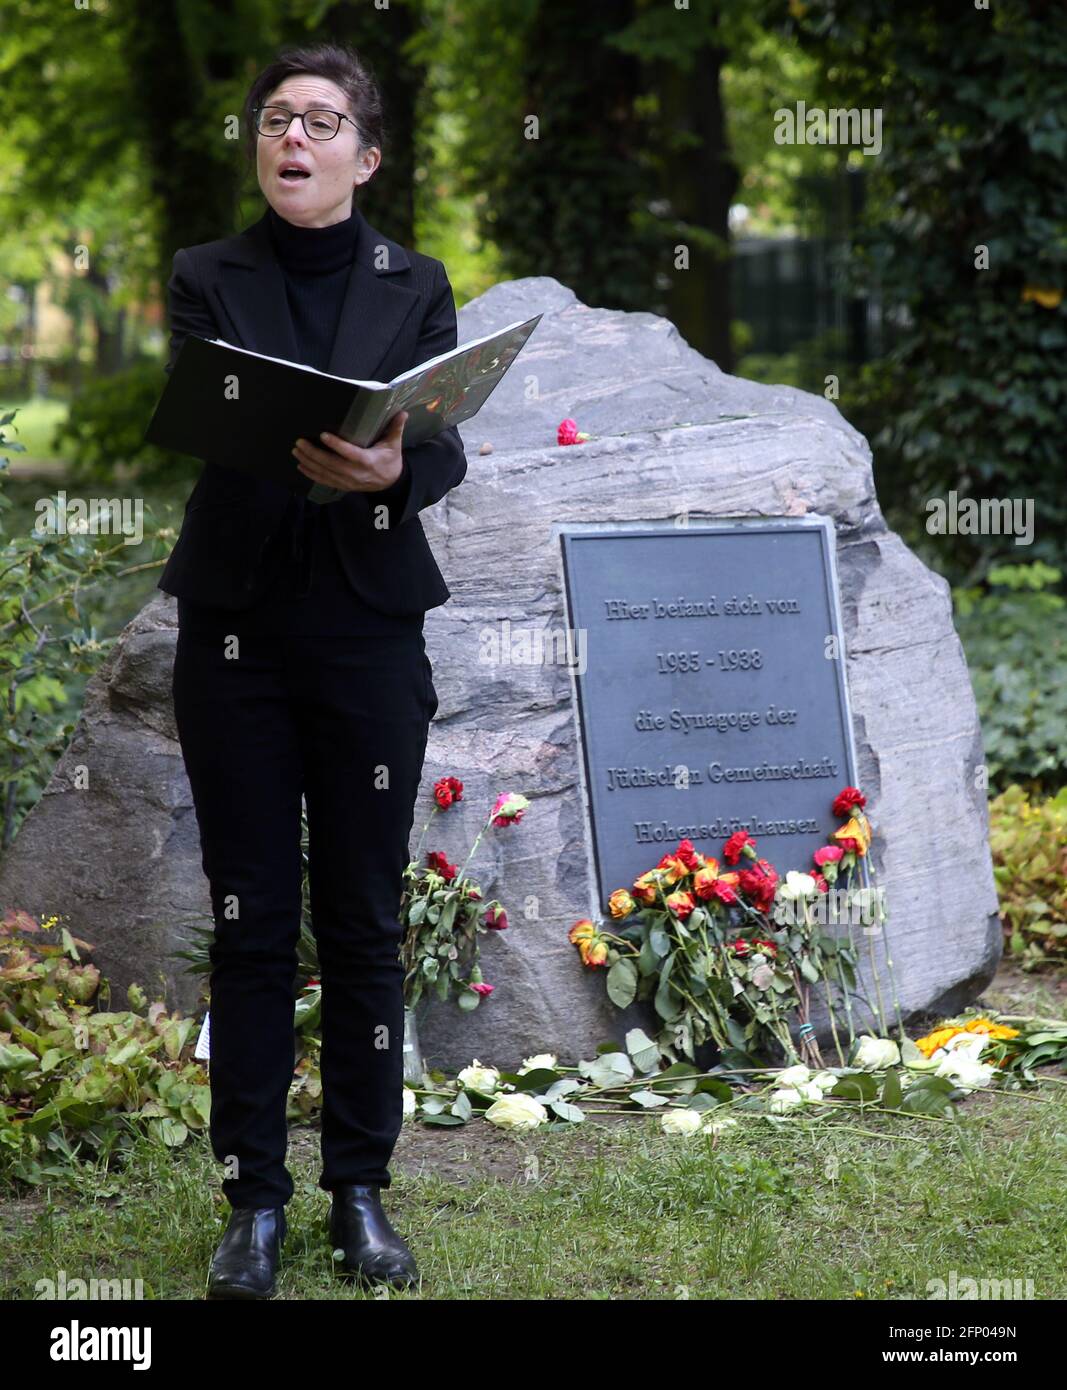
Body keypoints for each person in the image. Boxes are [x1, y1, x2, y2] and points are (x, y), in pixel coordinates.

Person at [158, 40, 467, 1299]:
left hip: (367, 630)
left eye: (321, 121)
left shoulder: (419, 280)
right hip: (234, 630)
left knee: (362, 917)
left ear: (365, 155)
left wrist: (397, 469)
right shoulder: (204, 274)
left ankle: (359, 1190)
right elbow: (203, 418)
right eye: (275, 119)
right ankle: (254, 1202)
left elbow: (440, 449)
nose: (292, 138)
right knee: (250, 922)